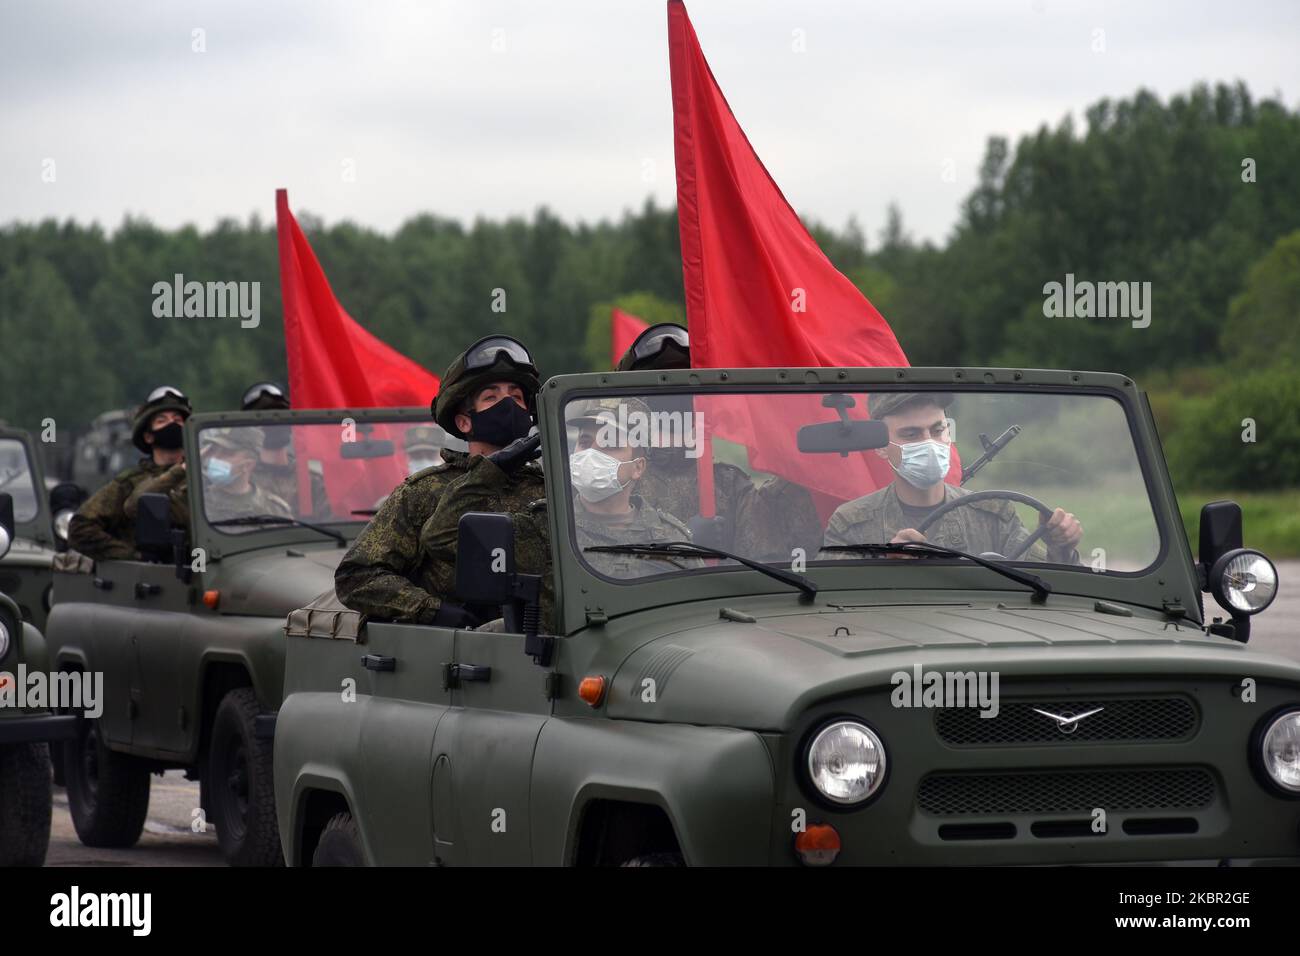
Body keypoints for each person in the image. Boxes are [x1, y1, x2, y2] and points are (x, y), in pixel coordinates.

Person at [334, 335, 541, 626]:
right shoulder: (425, 493)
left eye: (516, 397)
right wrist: (432, 610)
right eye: (491, 397)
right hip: (459, 656)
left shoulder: (548, 489)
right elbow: (356, 577)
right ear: (464, 422)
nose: (508, 404)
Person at [615, 323, 823, 563]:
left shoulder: (727, 484)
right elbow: (602, 559)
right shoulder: (619, 481)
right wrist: (685, 541)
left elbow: (765, 566)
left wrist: (726, 555)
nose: (672, 402)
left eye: (683, 386)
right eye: (658, 387)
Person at [820, 392, 1083, 560]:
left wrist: (1061, 544)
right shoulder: (851, 525)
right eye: (911, 434)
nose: (929, 443)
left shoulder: (993, 514)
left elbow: (1044, 588)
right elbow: (833, 606)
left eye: (938, 429)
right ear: (880, 446)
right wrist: (885, 566)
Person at [567, 398, 701, 577]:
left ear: (638, 467)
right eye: (584, 442)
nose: (591, 453)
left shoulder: (671, 541)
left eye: (609, 445)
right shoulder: (547, 526)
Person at [68, 385, 191, 560]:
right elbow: (80, 528)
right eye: (162, 420)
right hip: (151, 579)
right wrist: (130, 557)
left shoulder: (202, 477)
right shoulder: (129, 483)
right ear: (148, 436)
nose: (172, 424)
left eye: (178, 419)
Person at [125, 427, 293, 531]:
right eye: (214, 450)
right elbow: (134, 506)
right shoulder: (192, 500)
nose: (215, 458)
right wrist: (183, 469)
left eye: (226, 453)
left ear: (248, 465)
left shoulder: (274, 509)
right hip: (202, 575)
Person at [238, 381, 331, 519]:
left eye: (280, 414)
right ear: (250, 427)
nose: (274, 421)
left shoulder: (311, 481)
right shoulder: (242, 480)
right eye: (264, 416)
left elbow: (332, 526)